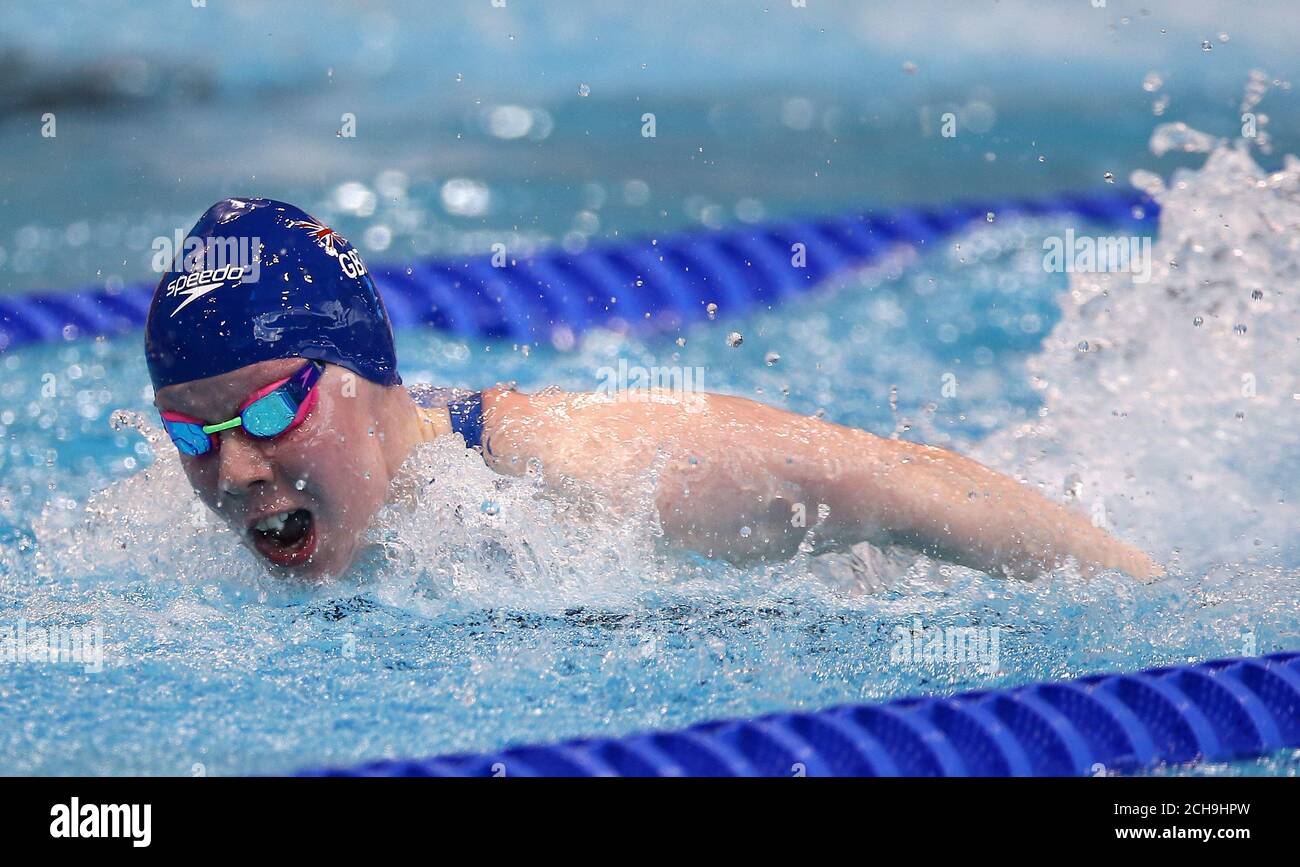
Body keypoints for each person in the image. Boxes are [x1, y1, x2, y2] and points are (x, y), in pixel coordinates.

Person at [147, 198, 1160, 582]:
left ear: (371, 377)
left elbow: (900, 486)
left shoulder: (588, 472)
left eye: (275, 409)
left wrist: (1150, 611)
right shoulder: (162, 534)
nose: (234, 469)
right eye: (193, 434)